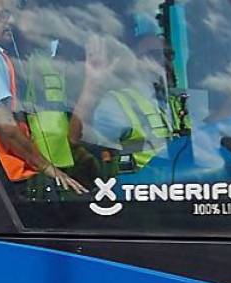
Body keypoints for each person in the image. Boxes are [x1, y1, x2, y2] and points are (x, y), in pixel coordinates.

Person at [0, 0, 86, 193]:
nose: (10, 21)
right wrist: (47, 167)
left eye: (10, 14)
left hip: (2, 167)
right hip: (7, 170)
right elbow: (3, 124)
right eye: (0, 16)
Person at [72, 13, 180, 169]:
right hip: (141, 188)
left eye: (168, 54)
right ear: (135, 59)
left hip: (187, 186)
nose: (163, 61)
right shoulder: (114, 106)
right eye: (154, 55)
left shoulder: (177, 102)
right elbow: (84, 145)